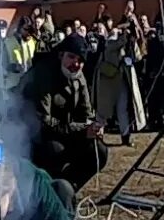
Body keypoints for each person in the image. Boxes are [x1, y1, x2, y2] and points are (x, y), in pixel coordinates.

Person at [20, 35, 106, 193]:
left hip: (64, 132)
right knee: (55, 149)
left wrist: (93, 127)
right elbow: (44, 122)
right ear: (61, 55)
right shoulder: (43, 74)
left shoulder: (79, 77)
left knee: (99, 151)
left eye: (80, 60)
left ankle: (68, 191)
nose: (76, 64)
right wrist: (80, 130)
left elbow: (86, 113)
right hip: (35, 138)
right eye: (71, 57)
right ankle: (50, 193)